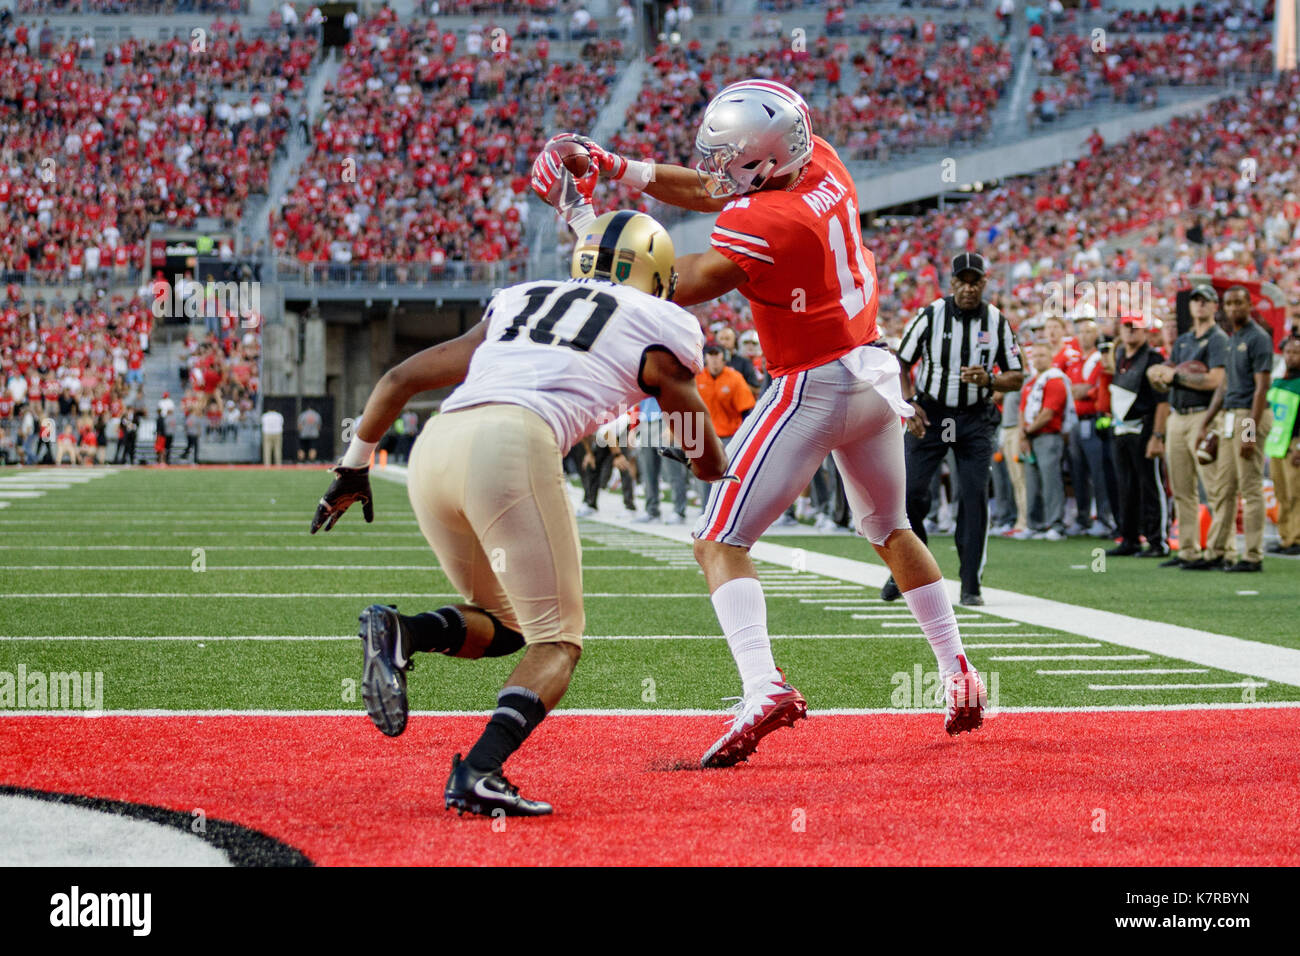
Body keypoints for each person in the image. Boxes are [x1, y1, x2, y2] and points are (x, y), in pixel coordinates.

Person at [533, 81, 991, 770]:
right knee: (890, 528)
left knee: (718, 538)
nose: (719, 167)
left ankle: (762, 687)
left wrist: (581, 220)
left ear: (765, 161)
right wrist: (618, 165)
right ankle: (959, 669)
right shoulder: (821, 161)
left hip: (814, 383)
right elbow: (722, 188)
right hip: (870, 371)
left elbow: (662, 283)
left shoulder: (769, 224)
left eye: (732, 157)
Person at [310, 211, 728, 816]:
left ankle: (403, 632)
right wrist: (705, 461)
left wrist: (353, 468)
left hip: (437, 447)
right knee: (557, 642)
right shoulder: (660, 321)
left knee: (506, 627)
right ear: (659, 274)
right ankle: (480, 771)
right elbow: (699, 439)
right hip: (512, 445)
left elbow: (400, 378)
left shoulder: (523, 298)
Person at [890, 252, 1026, 601]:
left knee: (973, 496)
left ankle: (971, 583)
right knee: (909, 496)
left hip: (973, 417)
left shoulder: (997, 321)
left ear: (984, 283)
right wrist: (909, 403)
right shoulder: (931, 315)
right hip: (932, 414)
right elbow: (900, 361)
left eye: (975, 281)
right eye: (962, 281)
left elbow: (1017, 375)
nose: (968, 288)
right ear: (951, 283)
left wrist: (990, 380)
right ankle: (907, 571)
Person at [1148, 284, 1228, 569]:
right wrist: (1158, 374)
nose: (1200, 306)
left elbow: (1216, 380)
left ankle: (1222, 550)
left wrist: (1175, 377)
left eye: (1205, 301)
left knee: (1214, 486)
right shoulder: (1183, 341)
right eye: (1196, 301)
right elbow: (1166, 372)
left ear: (1214, 306)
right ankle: (1189, 550)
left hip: (1203, 414)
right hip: (1178, 415)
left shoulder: (1218, 339)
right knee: (1181, 488)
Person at [1198, 286, 1274, 571]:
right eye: (1228, 304)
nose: (1232, 309)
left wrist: (1250, 431)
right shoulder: (1232, 338)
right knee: (1224, 486)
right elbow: (1225, 385)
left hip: (1248, 415)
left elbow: (1261, 388)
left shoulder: (1258, 338)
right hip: (1230, 415)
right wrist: (1207, 421)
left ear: (1250, 305)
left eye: (1238, 303)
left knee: (1251, 487)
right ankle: (1217, 551)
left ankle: (1253, 556)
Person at [1102, 316, 1170, 557]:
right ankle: (1129, 538)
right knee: (1126, 486)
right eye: (1127, 326)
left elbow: (1162, 402)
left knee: (1149, 485)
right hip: (1122, 429)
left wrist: (1157, 435)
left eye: (1135, 327)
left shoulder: (1153, 359)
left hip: (1144, 427)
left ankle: (1156, 541)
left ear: (1145, 331)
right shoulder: (1121, 357)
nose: (1131, 331)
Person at [1019, 341, 1074, 540]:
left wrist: (1026, 431)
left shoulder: (1055, 380)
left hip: (1048, 436)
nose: (1039, 358)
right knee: (1032, 482)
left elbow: (1048, 414)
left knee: (1051, 481)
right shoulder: (1032, 382)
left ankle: (1056, 524)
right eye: (1036, 355)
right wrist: (1022, 435)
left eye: (1043, 355)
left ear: (1051, 358)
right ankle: (1035, 524)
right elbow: (1022, 410)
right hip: (1031, 436)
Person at [694, 343, 755, 506]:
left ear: (724, 359)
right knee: (704, 478)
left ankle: (727, 512)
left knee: (728, 478)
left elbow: (747, 410)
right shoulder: (697, 378)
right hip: (705, 437)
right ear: (705, 358)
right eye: (710, 356)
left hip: (730, 435)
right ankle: (705, 514)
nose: (714, 360)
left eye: (717, 356)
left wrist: (743, 437)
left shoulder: (735, 378)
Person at [1265, 336, 1300, 554]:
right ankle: (1286, 537)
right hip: (1276, 444)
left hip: (1294, 444)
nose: (1291, 356)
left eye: (1296, 353)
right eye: (1288, 352)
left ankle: (1296, 538)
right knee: (1282, 494)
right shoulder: (1278, 382)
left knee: (1297, 494)